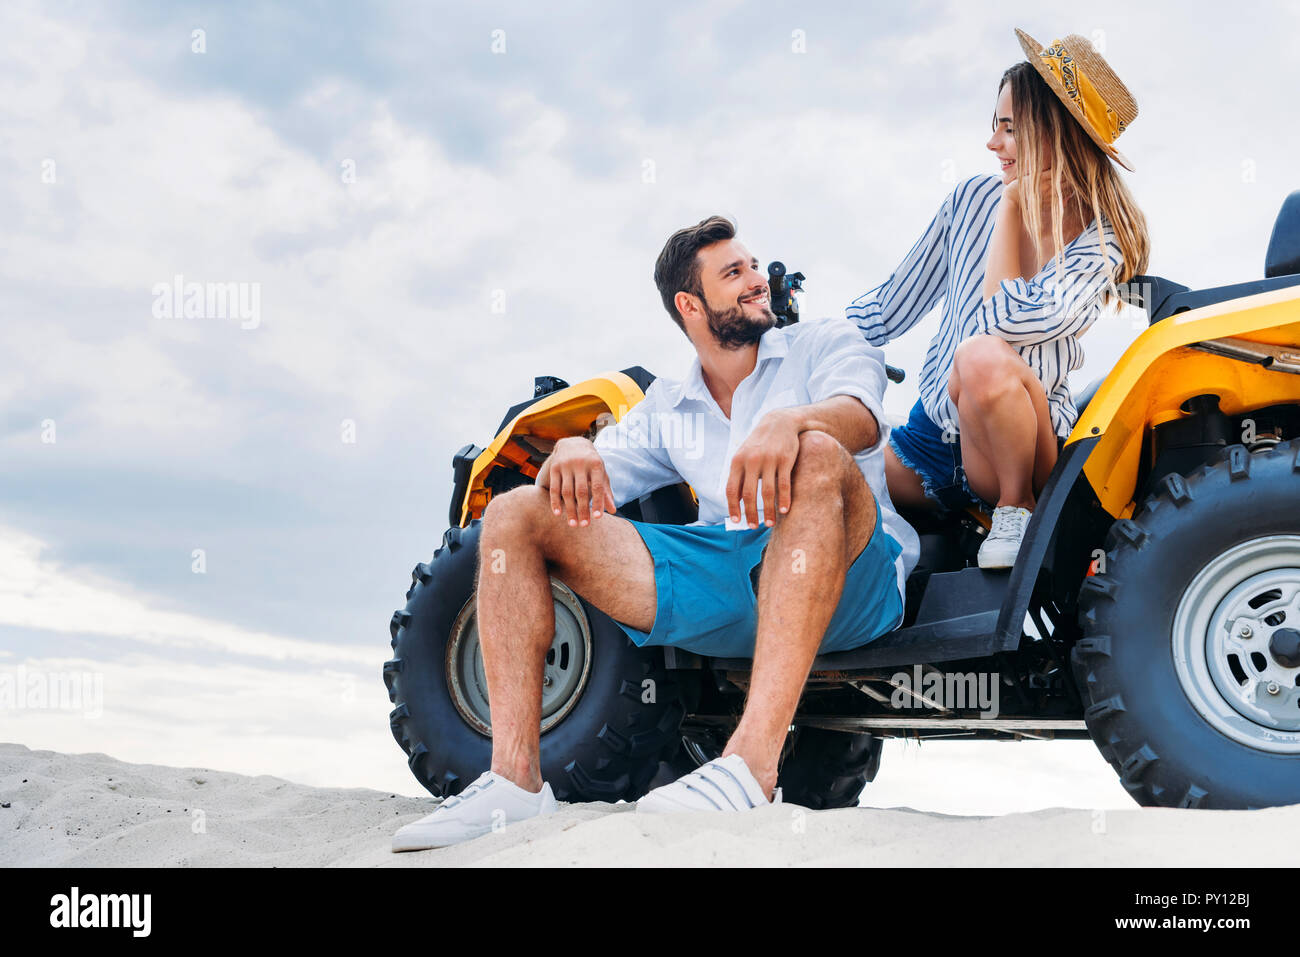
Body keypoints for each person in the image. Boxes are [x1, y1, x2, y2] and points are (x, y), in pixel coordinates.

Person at [392, 215, 918, 850]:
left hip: (848, 577)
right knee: (516, 513)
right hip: (729, 582)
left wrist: (792, 422)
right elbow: (595, 470)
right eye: (735, 273)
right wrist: (571, 454)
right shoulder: (670, 405)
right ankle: (514, 782)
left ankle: (750, 766)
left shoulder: (825, 343)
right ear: (690, 306)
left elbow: (861, 418)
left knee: (817, 453)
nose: (757, 281)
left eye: (754, 266)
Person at [847, 28, 1150, 568]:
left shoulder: (1104, 242)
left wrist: (1012, 209)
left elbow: (1004, 325)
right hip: (929, 440)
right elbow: (885, 310)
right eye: (994, 127)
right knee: (822, 471)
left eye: (1009, 129)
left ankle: (1017, 508)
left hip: (1020, 443)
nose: (993, 144)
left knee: (981, 356)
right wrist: (788, 345)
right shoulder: (969, 199)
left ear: (1054, 132)